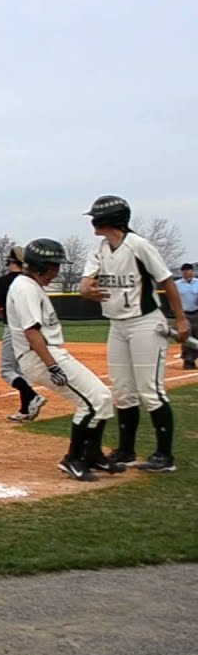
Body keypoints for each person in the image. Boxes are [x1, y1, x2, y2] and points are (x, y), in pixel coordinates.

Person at [80, 195, 191, 473]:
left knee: (150, 389)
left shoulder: (139, 246)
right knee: (123, 391)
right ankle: (126, 451)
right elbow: (86, 282)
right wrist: (86, 289)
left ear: (110, 220)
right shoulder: (101, 249)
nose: (93, 223)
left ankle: (165, 456)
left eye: (97, 218)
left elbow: (166, 280)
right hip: (116, 324)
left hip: (145, 323)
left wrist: (180, 319)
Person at [8, 238, 121, 481]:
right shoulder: (25, 287)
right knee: (91, 402)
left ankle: (92, 455)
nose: (56, 272)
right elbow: (31, 331)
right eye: (53, 266)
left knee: (101, 398)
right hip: (41, 356)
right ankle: (73, 458)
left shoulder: (30, 285)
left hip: (48, 353)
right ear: (39, 266)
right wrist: (52, 365)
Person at [0, 246, 46, 423]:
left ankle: (33, 396)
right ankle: (25, 410)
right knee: (21, 369)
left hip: (14, 328)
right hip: (35, 329)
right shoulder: (31, 281)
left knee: (7, 369)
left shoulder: (5, 281)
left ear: (11, 262)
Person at [178, 263, 198, 370]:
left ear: (192, 271)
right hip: (184, 314)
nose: (186, 272)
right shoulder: (177, 284)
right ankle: (187, 360)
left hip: (196, 313)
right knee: (187, 337)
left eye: (188, 270)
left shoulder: (197, 283)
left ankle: (193, 358)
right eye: (184, 270)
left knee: (196, 337)